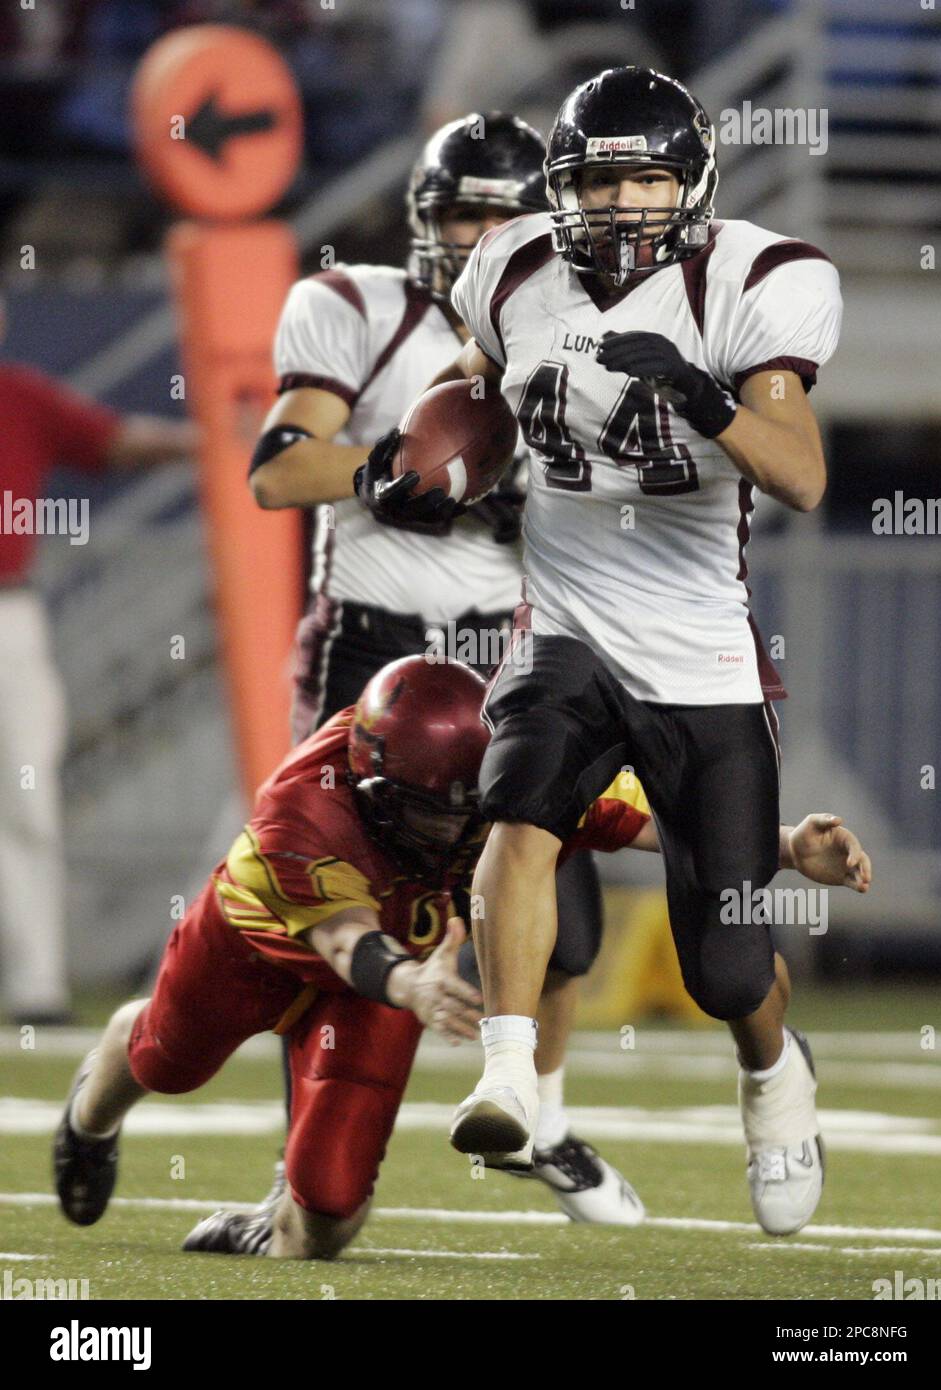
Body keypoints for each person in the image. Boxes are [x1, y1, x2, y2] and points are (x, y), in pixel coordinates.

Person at [358, 66, 844, 1236]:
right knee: (517, 813)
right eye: (597, 181)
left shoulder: (756, 278)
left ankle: (777, 1078)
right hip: (564, 623)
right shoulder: (516, 263)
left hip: (700, 652)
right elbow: (471, 380)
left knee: (726, 968)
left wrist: (704, 396)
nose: (621, 203)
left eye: (643, 178)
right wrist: (422, 461)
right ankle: (511, 1077)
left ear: (691, 185)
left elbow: (804, 475)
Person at [53, 655, 871, 1258]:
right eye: (435, 812)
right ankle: (90, 1118)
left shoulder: (486, 782)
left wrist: (789, 847)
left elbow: (646, 824)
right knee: (168, 1060)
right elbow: (342, 936)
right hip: (261, 946)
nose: (460, 828)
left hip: (387, 978)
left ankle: (261, 1228)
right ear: (375, 785)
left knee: (327, 1220)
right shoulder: (304, 814)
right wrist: (411, 982)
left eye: (472, 808)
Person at [239, 111, 626, 1222]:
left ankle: (536, 1117)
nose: (483, 232)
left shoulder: (576, 324)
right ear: (426, 217)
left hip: (506, 649)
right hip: (374, 654)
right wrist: (410, 472)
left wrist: (543, 494)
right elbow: (279, 469)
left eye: (507, 213)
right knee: (334, 912)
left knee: (566, 925)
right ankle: (294, 1178)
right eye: (465, 210)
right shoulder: (352, 302)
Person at [0, 296, 196, 1023]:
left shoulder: (18, 395)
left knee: (27, 807)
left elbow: (115, 440)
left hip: (8, 614)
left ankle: (36, 989)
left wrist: (213, 440)